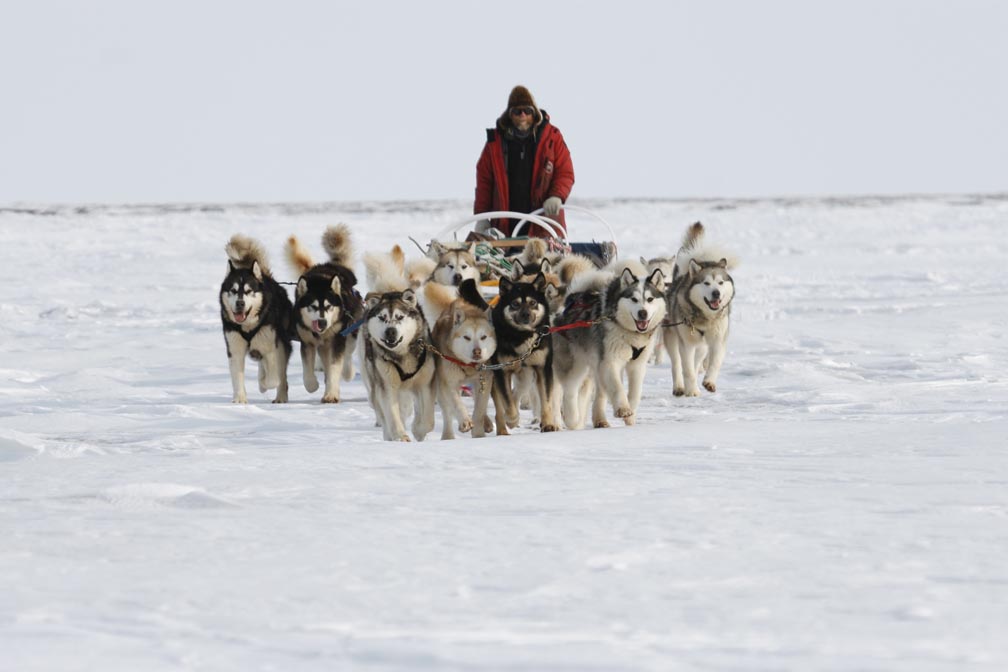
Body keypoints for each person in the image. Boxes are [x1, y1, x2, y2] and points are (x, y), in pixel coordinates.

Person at [474, 85, 575, 238]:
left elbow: (565, 172)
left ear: (534, 114)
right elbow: (484, 182)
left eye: (527, 111)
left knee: (547, 259)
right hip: (504, 230)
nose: (522, 115)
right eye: (517, 111)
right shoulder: (494, 144)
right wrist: (481, 217)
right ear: (510, 115)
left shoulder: (552, 138)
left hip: (545, 225)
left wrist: (557, 196)